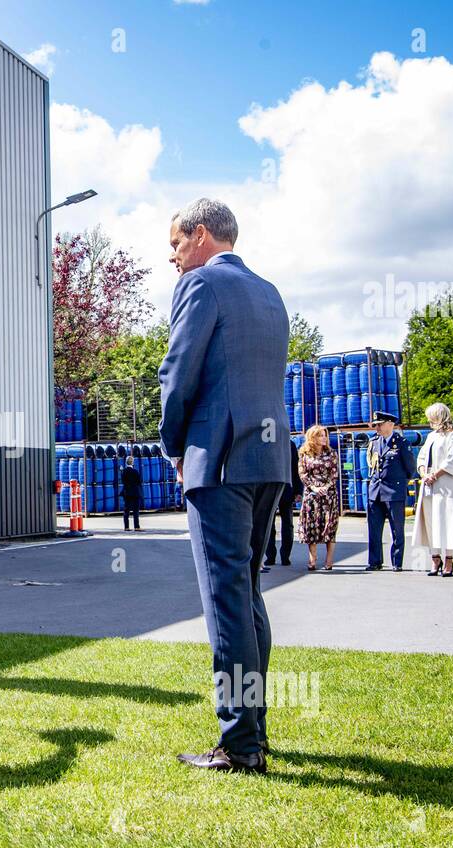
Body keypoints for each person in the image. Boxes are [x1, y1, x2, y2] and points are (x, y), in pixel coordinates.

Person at [158, 198, 289, 775]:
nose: (173, 258)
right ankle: (254, 730)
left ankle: (240, 745)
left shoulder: (200, 286)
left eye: (176, 245)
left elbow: (177, 373)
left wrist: (174, 447)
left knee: (224, 600)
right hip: (269, 460)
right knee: (247, 593)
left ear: (202, 234)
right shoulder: (270, 293)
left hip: (220, 460)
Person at [413, 402, 453, 577]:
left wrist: (435, 474)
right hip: (428, 486)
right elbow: (421, 457)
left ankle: (449, 558)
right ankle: (435, 558)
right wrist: (423, 474)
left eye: (431, 418)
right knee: (430, 523)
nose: (429, 421)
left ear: (439, 417)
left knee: (448, 522)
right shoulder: (431, 436)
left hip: (447, 487)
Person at [365, 410, 416, 572]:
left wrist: (399, 485)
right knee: (374, 530)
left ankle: (397, 562)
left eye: (380, 424)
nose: (377, 428)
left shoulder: (401, 443)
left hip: (394, 492)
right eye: (376, 425)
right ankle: (374, 561)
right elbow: (372, 467)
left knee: (397, 529)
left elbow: (410, 469)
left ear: (390, 424)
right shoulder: (374, 442)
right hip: (376, 492)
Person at [297, 425, 340, 570]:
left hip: (329, 494)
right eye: (321, 435)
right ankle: (312, 559)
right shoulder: (304, 454)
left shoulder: (332, 453)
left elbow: (334, 474)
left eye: (325, 435)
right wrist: (314, 487)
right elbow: (303, 473)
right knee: (312, 526)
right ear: (312, 437)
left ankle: (329, 560)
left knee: (330, 526)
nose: (324, 438)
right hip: (311, 494)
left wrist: (325, 487)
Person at [263, 436, 303, 568]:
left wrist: (298, 491)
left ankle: (285, 556)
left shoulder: (289, 444)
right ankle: (271, 556)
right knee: (269, 525)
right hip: (270, 489)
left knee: (287, 524)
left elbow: (295, 468)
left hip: (286, 489)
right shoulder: (266, 444)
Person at [120, 456, 143, 531]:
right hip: (135, 492)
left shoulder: (124, 471)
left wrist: (121, 471)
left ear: (126, 462)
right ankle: (137, 526)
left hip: (127, 493)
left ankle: (126, 527)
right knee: (136, 511)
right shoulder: (135, 471)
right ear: (132, 463)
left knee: (126, 511)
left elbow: (123, 481)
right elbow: (139, 482)